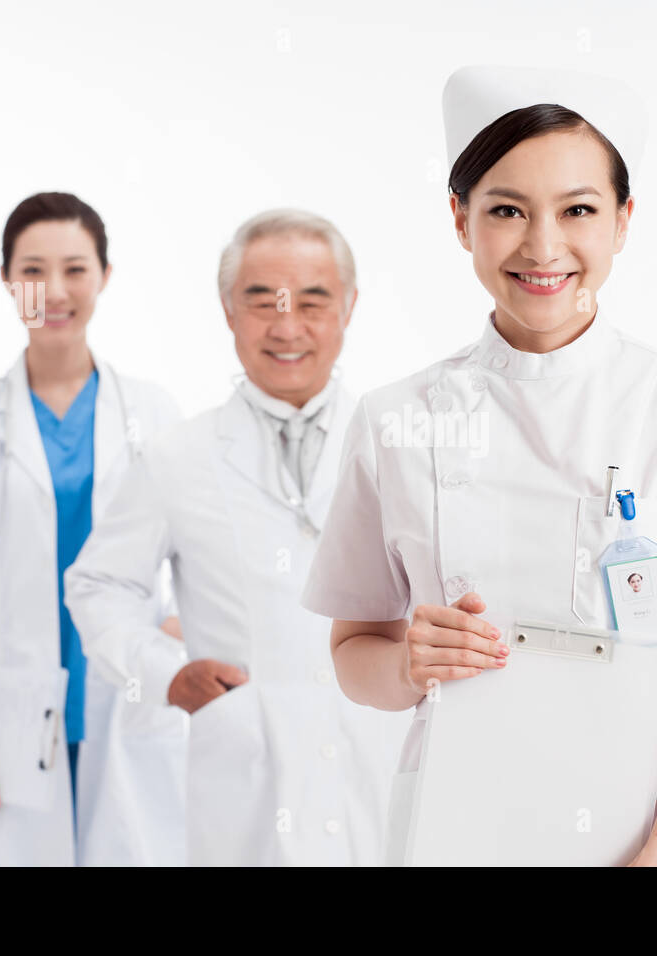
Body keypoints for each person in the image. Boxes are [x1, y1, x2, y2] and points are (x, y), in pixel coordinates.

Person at [301, 65, 657, 866]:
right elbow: (352, 657)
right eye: (506, 210)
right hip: (454, 826)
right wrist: (407, 663)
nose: (543, 247)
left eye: (577, 209)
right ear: (459, 219)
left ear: (621, 221)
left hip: (646, 834)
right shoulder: (397, 419)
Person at [66, 209, 408, 866]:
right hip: (248, 781)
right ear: (228, 311)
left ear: (349, 307)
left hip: (379, 769)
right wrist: (165, 674)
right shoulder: (177, 457)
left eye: (313, 301)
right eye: (261, 302)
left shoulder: (401, 447)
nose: (286, 326)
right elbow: (97, 584)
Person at [0, 192, 188, 866]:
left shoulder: (153, 414)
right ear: (9, 282)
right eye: (33, 270)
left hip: (128, 698)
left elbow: (203, 553)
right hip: (7, 715)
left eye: (75, 268)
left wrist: (177, 629)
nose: (55, 291)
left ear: (104, 277)